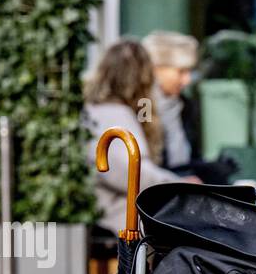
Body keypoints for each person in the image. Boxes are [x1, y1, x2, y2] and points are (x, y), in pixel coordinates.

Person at [84, 38, 195, 236]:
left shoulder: (100, 110)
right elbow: (134, 174)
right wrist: (179, 186)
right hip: (118, 218)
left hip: (110, 212)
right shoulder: (114, 114)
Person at [141, 31, 198, 172]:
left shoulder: (184, 105)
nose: (187, 80)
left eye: (189, 72)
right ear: (156, 69)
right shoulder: (143, 104)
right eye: (181, 71)